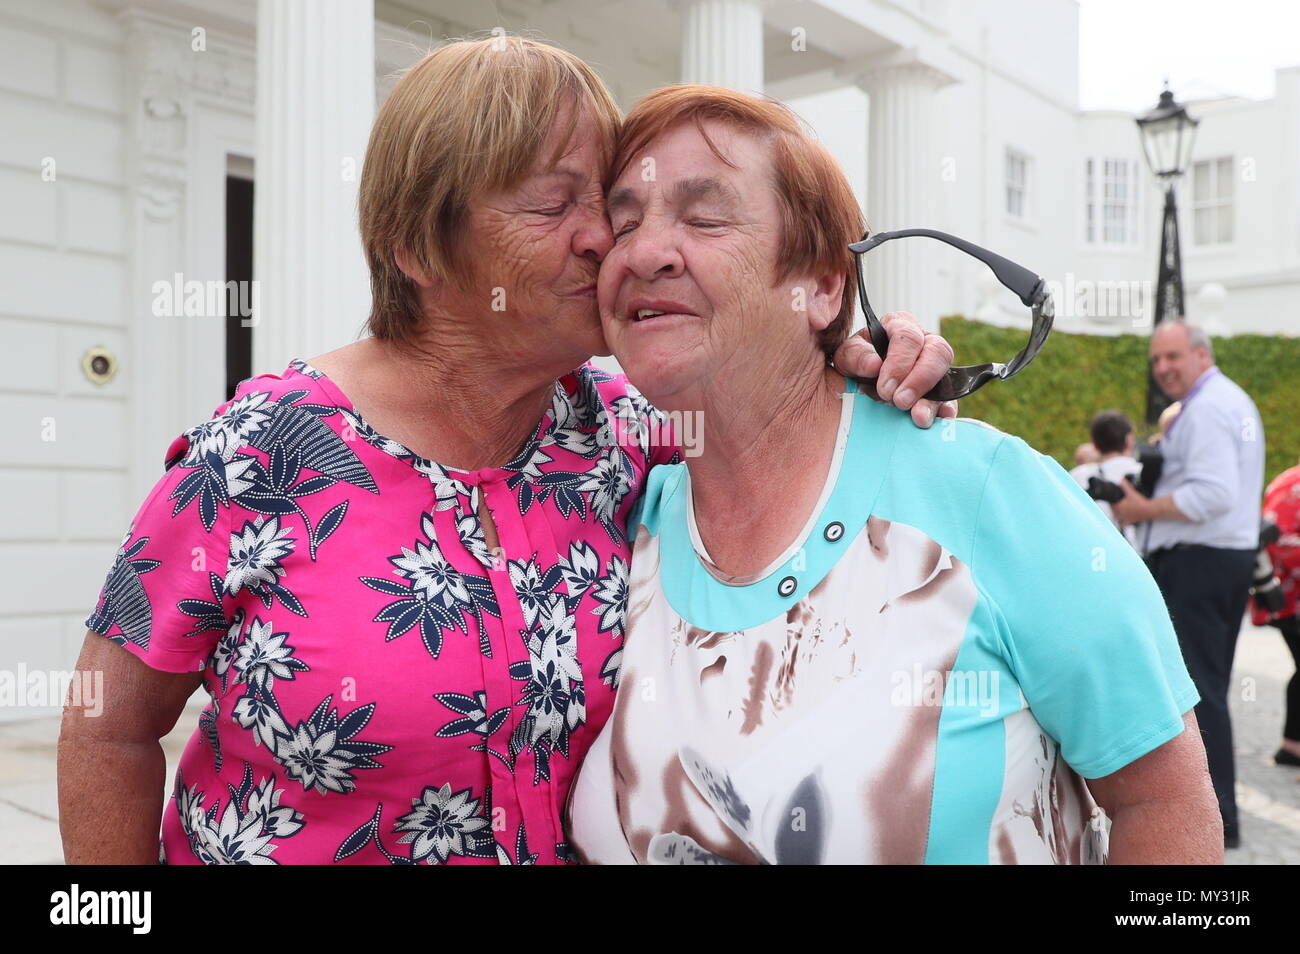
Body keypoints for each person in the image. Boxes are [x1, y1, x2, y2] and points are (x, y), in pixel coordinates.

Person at [57, 37, 956, 865]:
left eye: (601, 202)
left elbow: (779, 414)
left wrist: (856, 353)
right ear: (418, 247)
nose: (608, 238)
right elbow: (108, 728)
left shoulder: (631, 433)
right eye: (551, 204)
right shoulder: (259, 456)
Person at [564, 85, 1220, 865]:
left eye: (704, 217)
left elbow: (1162, 799)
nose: (643, 251)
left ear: (823, 286)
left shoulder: (984, 493)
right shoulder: (617, 510)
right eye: (625, 219)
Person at [1112, 319, 1266, 850]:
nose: (1163, 369)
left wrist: (1137, 508)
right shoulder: (1221, 403)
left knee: (1196, 694)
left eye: (1173, 357)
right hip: (1217, 561)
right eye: (1157, 360)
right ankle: (1220, 819)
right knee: (1208, 690)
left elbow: (1212, 495)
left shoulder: (1210, 408)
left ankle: (1213, 823)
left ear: (1202, 354)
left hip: (1200, 563)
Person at [1249, 461, 1300, 767]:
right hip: (1290, 598)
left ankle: (1291, 744)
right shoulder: (1292, 485)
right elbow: (1275, 537)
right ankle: (1291, 745)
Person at [1069, 410, 1142, 546]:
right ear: (1129, 440)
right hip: (1140, 559)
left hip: (1095, 554)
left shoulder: (1077, 476)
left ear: (1094, 444)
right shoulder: (1142, 472)